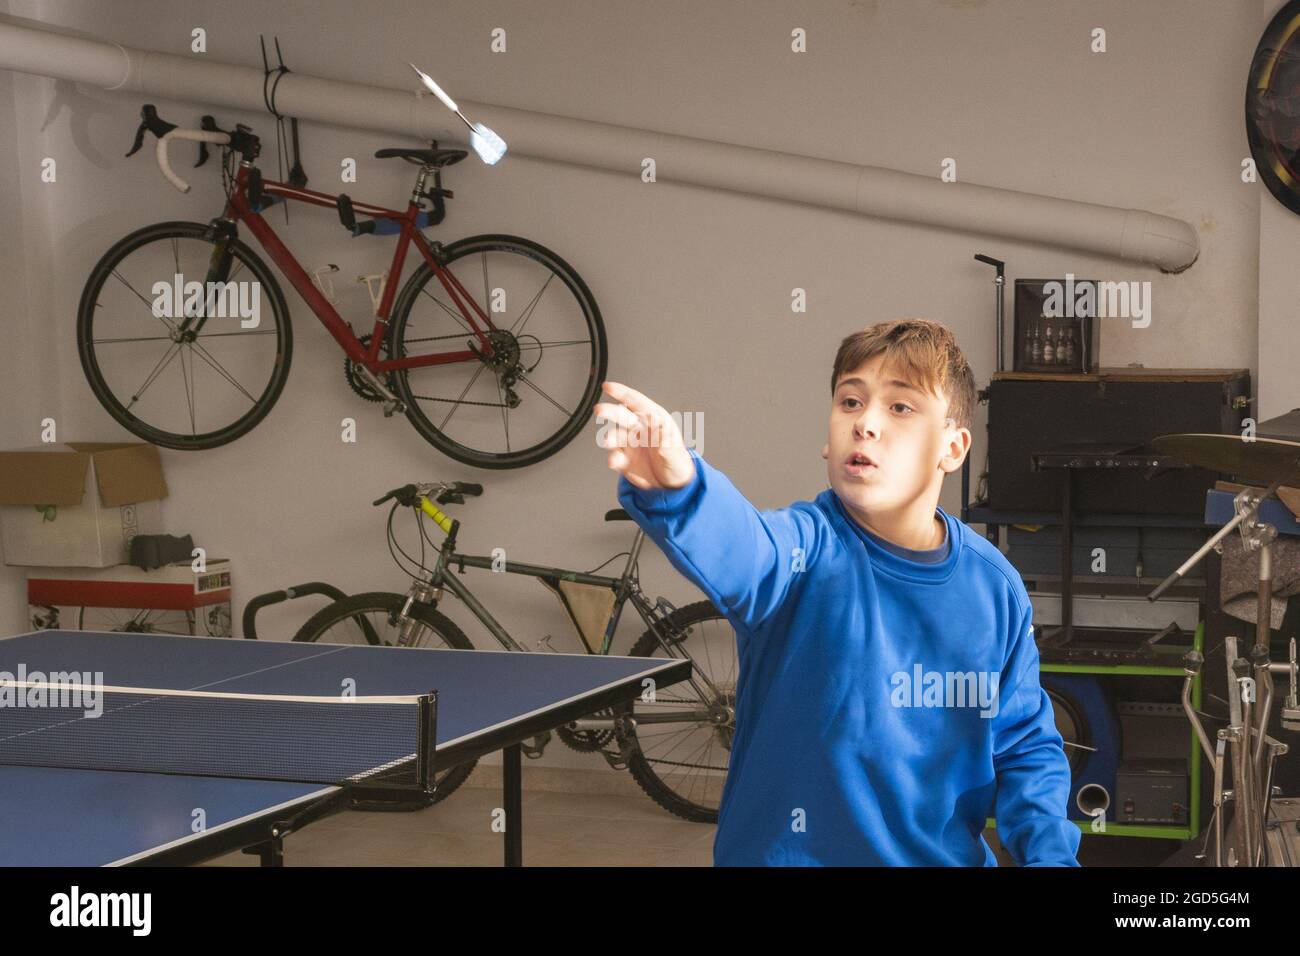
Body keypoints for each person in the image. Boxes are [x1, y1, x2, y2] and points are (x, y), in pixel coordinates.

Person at [594, 317, 1080, 866]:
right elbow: (745, 549)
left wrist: (1050, 857)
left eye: (900, 407)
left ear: (953, 447)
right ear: (827, 438)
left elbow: (1023, 746)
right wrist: (683, 488)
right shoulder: (802, 551)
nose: (865, 423)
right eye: (850, 401)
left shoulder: (996, 588)